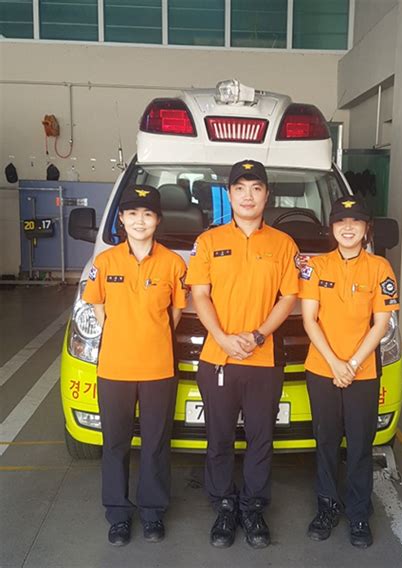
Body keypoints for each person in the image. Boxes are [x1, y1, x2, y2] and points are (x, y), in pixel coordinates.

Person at [186, 160, 299, 549]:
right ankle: (223, 506)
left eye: (256, 188)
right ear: (229, 194)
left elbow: (289, 296)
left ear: (267, 195)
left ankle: (252, 507)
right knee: (218, 437)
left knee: (260, 438)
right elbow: (200, 294)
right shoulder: (209, 242)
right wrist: (222, 337)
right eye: (240, 188)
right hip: (218, 358)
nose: (247, 196)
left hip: (264, 359)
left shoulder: (283, 244)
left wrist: (258, 334)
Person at [82, 184, 187, 546]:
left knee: (156, 443)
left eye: (147, 214)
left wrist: (150, 335)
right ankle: (118, 514)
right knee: (115, 444)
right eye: (132, 214)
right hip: (114, 369)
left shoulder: (173, 263)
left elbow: (175, 312)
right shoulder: (104, 263)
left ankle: (153, 512)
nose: (139, 221)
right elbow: (98, 306)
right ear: (122, 220)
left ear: (158, 220)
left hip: (159, 369)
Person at [299, 196, 400, 548]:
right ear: (331, 228)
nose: (347, 227)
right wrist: (335, 363)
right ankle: (326, 506)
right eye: (341, 221)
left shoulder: (380, 269)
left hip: (363, 372)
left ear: (366, 228)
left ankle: (358, 513)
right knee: (326, 441)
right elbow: (309, 320)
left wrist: (352, 364)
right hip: (322, 369)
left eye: (355, 221)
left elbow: (380, 324)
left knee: (359, 444)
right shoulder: (316, 267)